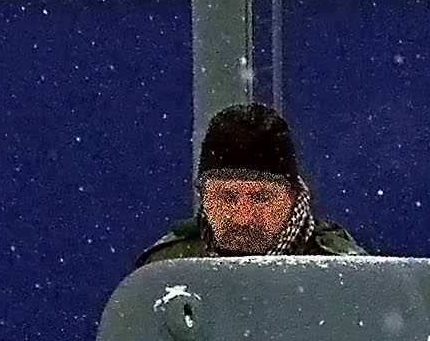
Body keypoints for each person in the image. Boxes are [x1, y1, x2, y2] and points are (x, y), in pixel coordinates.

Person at [138, 100, 363, 264]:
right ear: (203, 195)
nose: (243, 216)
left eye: (261, 198)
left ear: (293, 194)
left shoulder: (342, 273)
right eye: (226, 197)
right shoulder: (167, 269)